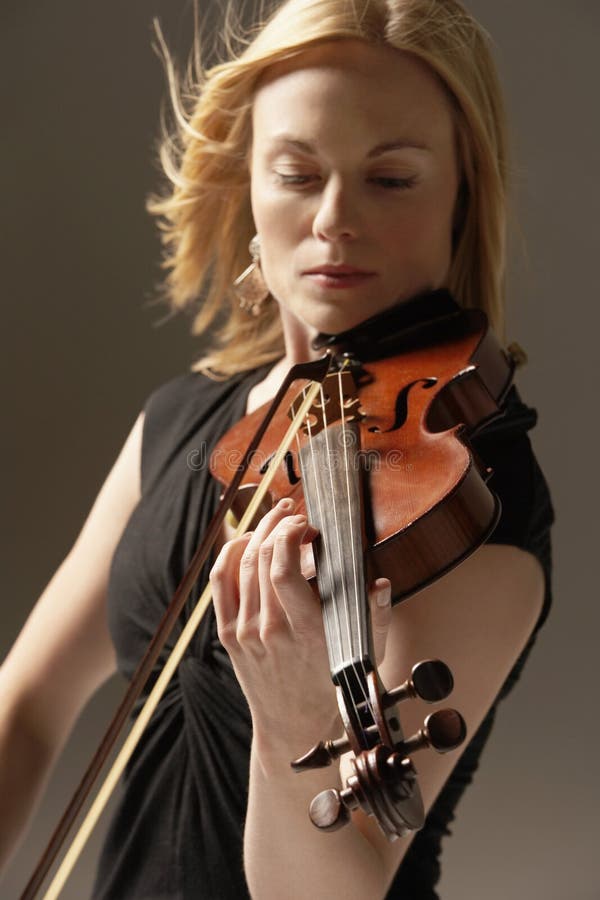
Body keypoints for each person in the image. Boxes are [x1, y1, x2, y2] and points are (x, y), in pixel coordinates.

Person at [0, 0, 554, 897]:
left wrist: (292, 716)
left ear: (463, 193)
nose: (335, 218)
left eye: (392, 179)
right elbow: (24, 709)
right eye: (297, 173)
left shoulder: (470, 493)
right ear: (247, 185)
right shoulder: (179, 422)